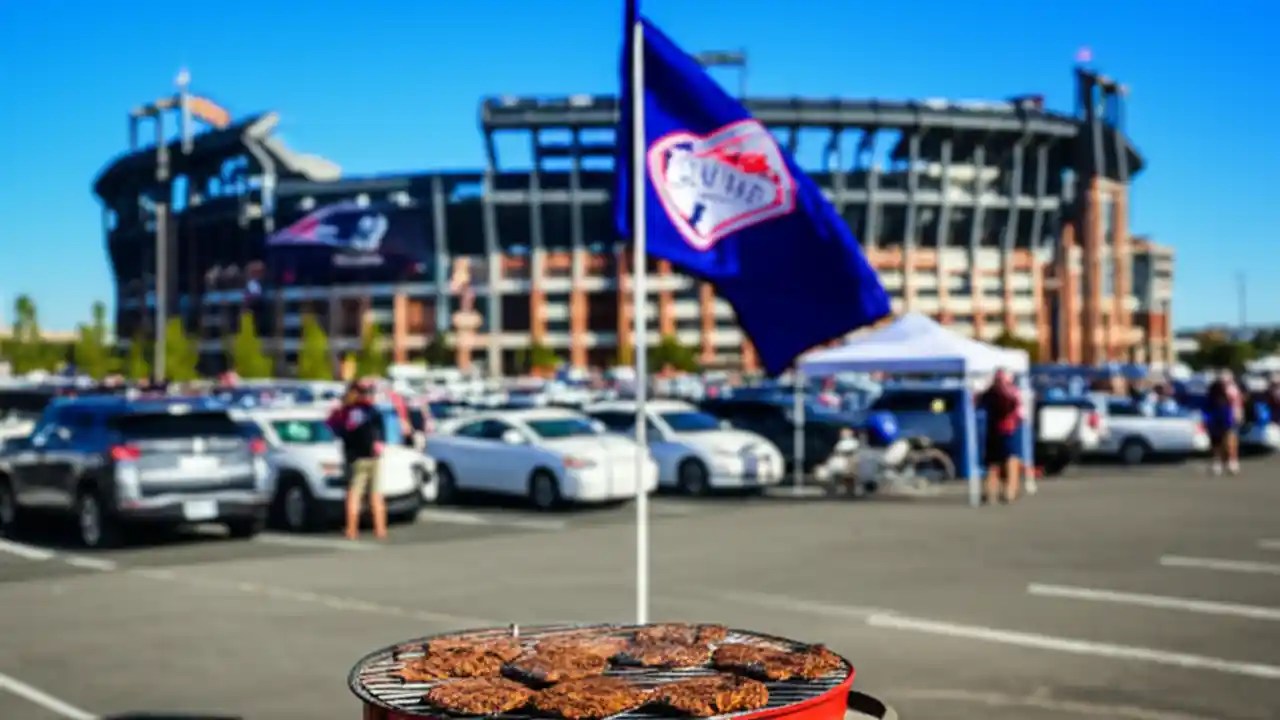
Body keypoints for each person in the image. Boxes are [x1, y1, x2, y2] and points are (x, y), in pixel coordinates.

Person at [327, 381, 388, 540]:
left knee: (354, 494)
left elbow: (339, 429)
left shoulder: (351, 412)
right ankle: (380, 529)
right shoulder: (374, 411)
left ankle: (352, 530)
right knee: (376, 494)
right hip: (374, 457)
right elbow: (382, 434)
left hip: (357, 458)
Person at [979, 369, 1023, 504]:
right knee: (1011, 459)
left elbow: (977, 403)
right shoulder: (1012, 391)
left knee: (993, 463)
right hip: (1010, 429)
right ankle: (1009, 491)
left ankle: (989, 492)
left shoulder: (990, 393)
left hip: (994, 429)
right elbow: (1019, 410)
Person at [1205, 370, 1242, 476]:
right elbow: (1208, 403)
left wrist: (1238, 414)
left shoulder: (1233, 390)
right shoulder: (1213, 389)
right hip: (1216, 416)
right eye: (1222, 381)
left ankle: (1232, 462)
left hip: (1229, 417)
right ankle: (1217, 463)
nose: (1223, 383)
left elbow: (1237, 404)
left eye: (1226, 381)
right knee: (1216, 441)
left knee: (1230, 440)